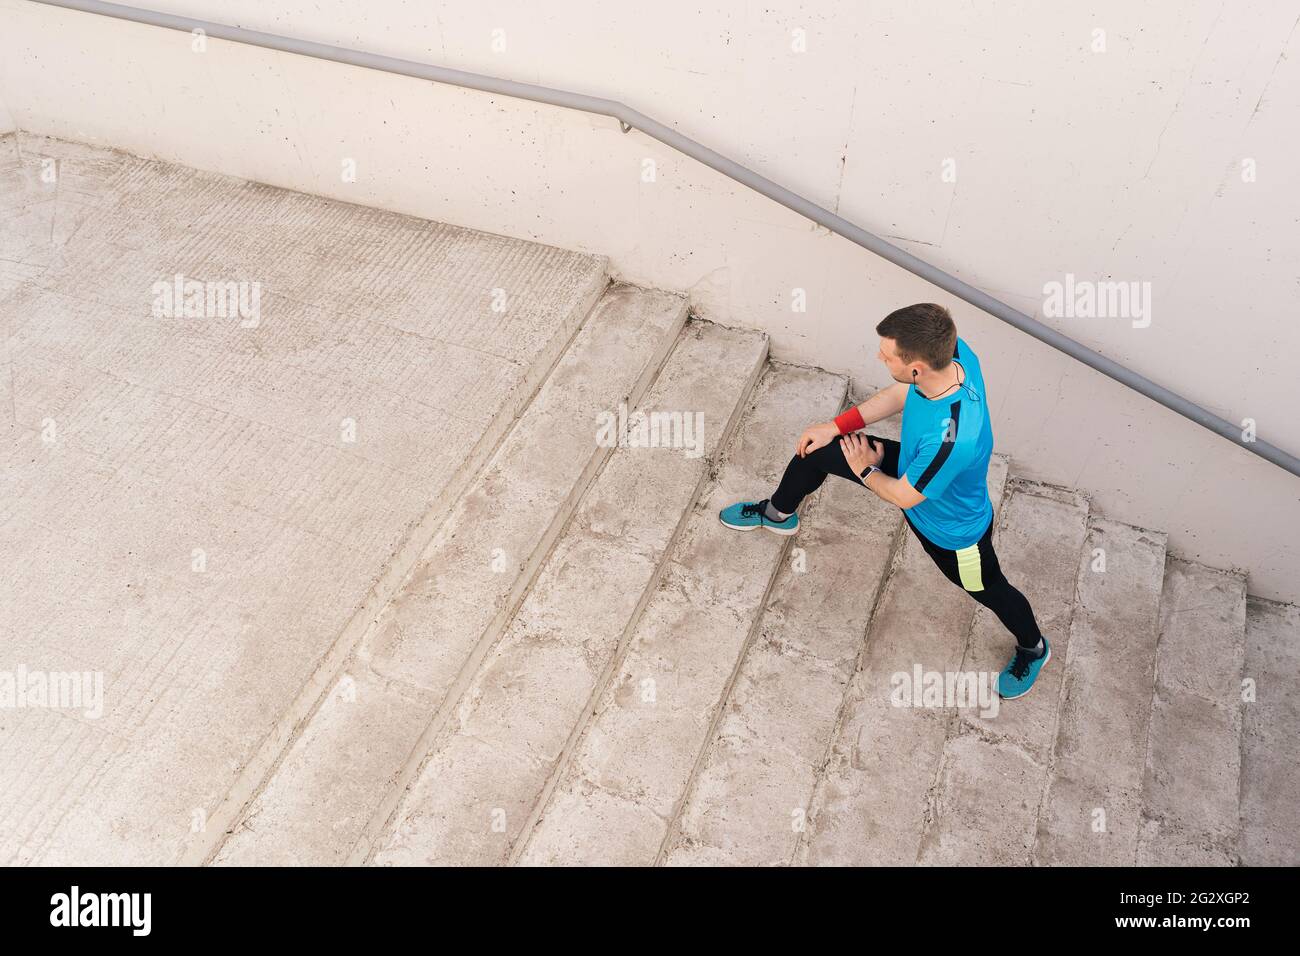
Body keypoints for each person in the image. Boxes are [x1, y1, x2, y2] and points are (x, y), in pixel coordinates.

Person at [719, 303, 1049, 699]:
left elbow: (904, 495)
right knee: (820, 449)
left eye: (887, 354)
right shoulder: (953, 352)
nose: (880, 356)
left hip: (952, 532)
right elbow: (900, 394)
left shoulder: (952, 439)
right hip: (916, 466)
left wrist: (865, 469)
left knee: (990, 589)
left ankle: (1034, 647)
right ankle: (777, 514)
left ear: (917, 367)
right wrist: (835, 426)